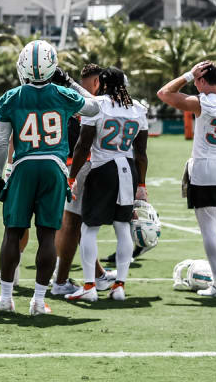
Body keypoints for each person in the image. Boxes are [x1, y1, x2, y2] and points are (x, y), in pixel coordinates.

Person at [0, 40, 98, 316]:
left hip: (23, 167)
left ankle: (6, 298)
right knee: (47, 236)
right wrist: (70, 82)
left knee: (13, 233)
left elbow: (0, 143)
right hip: (54, 168)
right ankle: (37, 300)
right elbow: (95, 107)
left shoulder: (11, 97)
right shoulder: (62, 94)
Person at [157, 60, 216, 298]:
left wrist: (188, 75)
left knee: (209, 229)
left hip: (205, 167)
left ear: (202, 80)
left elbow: (164, 93)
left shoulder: (204, 101)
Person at [65, 67, 148, 302]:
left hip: (103, 169)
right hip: (128, 169)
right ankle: (119, 285)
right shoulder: (138, 108)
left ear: (101, 83)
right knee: (122, 227)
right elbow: (141, 152)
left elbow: (82, 145)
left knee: (89, 228)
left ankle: (90, 286)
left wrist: (72, 176)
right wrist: (141, 182)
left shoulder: (98, 105)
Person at [53, 64, 107, 296]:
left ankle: (97, 274)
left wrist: (68, 80)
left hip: (68, 162)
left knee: (76, 224)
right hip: (81, 163)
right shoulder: (83, 100)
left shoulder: (91, 100)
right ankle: (61, 279)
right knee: (74, 223)